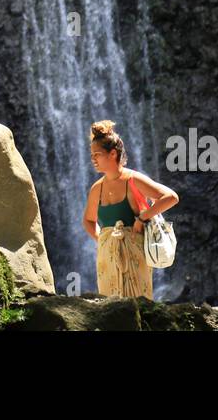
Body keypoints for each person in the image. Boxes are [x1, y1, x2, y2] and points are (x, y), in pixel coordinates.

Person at [82, 119, 179, 300]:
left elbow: (171, 197)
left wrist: (142, 218)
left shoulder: (133, 180)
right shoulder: (97, 188)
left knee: (139, 305)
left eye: (97, 154)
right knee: (109, 309)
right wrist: (101, 239)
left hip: (134, 254)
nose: (93, 159)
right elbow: (88, 220)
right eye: (91, 155)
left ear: (112, 154)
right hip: (107, 258)